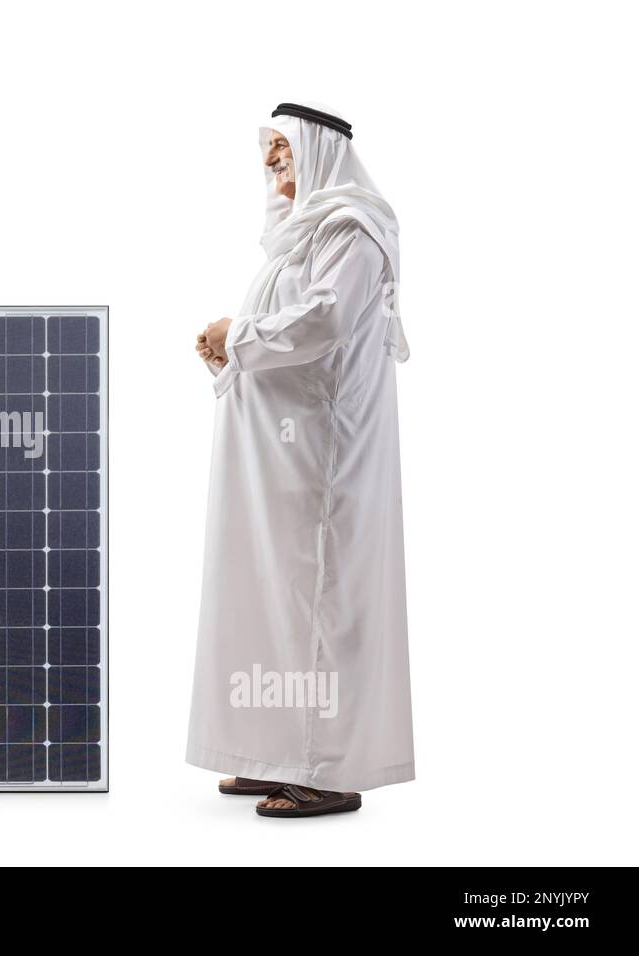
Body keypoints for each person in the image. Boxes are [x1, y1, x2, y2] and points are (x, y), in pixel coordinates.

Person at [187, 102, 414, 818]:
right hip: (272, 461)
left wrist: (240, 332)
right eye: (268, 153)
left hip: (319, 460)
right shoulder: (297, 236)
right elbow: (286, 329)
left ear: (321, 152)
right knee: (271, 593)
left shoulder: (352, 226)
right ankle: (275, 752)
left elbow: (324, 321)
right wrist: (228, 346)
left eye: (284, 151)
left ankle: (326, 767)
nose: (272, 163)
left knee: (319, 597)